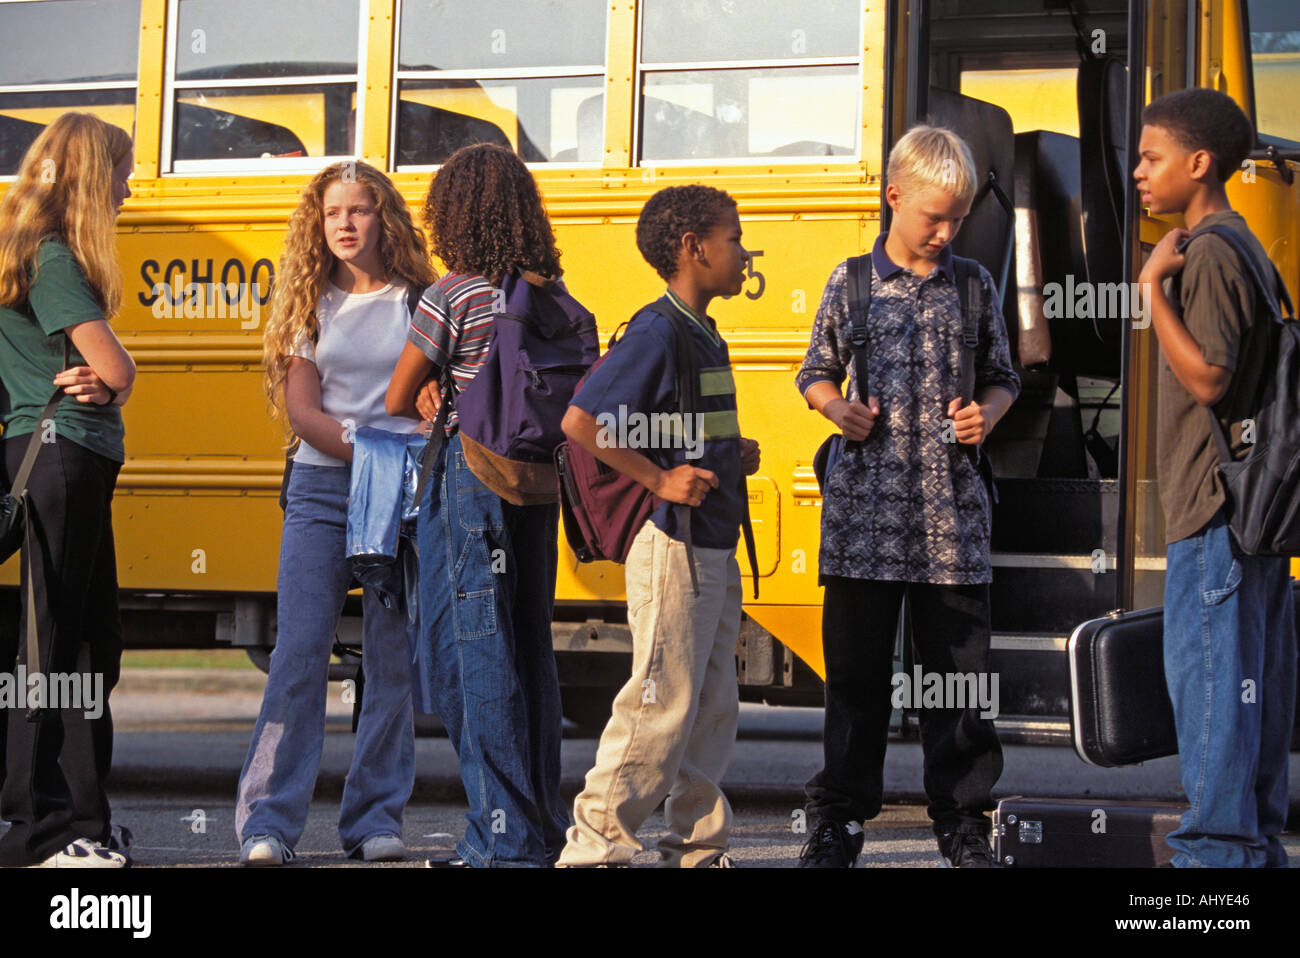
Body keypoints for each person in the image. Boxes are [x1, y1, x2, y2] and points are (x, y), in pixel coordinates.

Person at [794, 125, 1019, 868]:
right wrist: (836, 408)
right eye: (934, 218)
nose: (946, 232)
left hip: (951, 523)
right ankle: (838, 820)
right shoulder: (849, 281)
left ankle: (962, 821)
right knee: (856, 683)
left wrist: (986, 413)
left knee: (956, 684)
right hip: (862, 523)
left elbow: (1005, 377)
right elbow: (813, 373)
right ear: (894, 196)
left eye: (956, 219)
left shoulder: (974, 285)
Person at [234, 160, 436, 865]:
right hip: (323, 489)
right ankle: (267, 823)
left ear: (385, 218)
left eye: (359, 210)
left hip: (403, 496)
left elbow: (433, 399)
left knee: (391, 660)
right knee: (298, 652)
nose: (345, 224)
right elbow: (302, 411)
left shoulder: (420, 299)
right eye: (332, 213)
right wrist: (373, 444)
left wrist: (405, 447)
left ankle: (375, 821)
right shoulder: (308, 302)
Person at [556, 184, 761, 868]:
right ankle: (592, 850)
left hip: (712, 547)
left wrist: (731, 456)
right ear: (691, 248)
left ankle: (695, 848)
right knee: (658, 704)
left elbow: (674, 428)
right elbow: (582, 422)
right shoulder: (658, 329)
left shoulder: (701, 331)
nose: (743, 250)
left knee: (708, 709)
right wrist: (659, 479)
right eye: (732, 237)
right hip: (674, 544)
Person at [385, 143, 569, 867]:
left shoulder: (451, 294)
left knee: (476, 651)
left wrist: (435, 388)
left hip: (469, 483)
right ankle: (542, 826)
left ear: (453, 215)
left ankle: (501, 839)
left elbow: (398, 398)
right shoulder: (548, 292)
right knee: (530, 648)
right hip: (535, 483)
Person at [1133, 88, 1296, 868]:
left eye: (1151, 157)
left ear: (1199, 165)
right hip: (1254, 510)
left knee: (1211, 695)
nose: (1138, 172)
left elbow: (1209, 378)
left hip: (1215, 508)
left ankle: (1214, 869)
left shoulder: (1208, 254)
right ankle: (1252, 851)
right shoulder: (1251, 248)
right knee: (1249, 690)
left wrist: (1149, 291)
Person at [0, 112, 136, 868]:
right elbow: (114, 372)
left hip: (57, 455)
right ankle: (39, 830)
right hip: (62, 456)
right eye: (119, 168)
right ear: (89, 173)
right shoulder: (52, 258)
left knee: (85, 646)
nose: (126, 184)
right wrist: (122, 379)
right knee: (50, 648)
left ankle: (81, 822)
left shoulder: (26, 253)